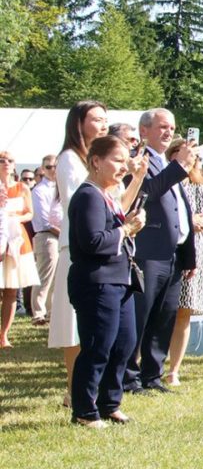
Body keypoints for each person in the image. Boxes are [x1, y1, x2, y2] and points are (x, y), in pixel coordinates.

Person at [66, 135, 147, 427]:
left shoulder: (106, 194)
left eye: (125, 160)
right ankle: (84, 410)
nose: (122, 166)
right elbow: (92, 242)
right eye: (117, 159)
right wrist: (126, 229)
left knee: (124, 343)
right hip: (96, 282)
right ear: (96, 161)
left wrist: (130, 227)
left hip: (119, 279)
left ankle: (109, 403)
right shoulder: (88, 195)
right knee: (98, 346)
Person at [51, 101, 122, 406]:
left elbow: (117, 206)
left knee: (96, 330)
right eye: (96, 119)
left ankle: (85, 390)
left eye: (105, 120)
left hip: (104, 246)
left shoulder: (105, 164)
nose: (103, 125)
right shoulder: (69, 158)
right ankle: (73, 390)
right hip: (78, 246)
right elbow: (77, 203)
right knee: (75, 326)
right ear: (78, 124)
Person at [124, 108, 198, 394]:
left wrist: (188, 254)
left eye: (172, 127)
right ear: (144, 130)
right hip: (148, 250)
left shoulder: (166, 163)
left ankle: (152, 376)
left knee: (164, 317)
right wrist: (178, 168)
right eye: (162, 127)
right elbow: (145, 194)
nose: (169, 132)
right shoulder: (138, 160)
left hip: (172, 253)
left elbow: (182, 211)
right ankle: (129, 377)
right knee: (141, 318)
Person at [163, 156, 203, 388]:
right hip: (166, 248)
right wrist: (183, 220)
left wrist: (186, 221)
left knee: (184, 311)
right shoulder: (165, 182)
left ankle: (174, 369)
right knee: (159, 311)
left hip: (195, 250)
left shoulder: (201, 187)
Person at [0, 150, 39, 348]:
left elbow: (30, 213)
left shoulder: (22, 187)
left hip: (17, 240)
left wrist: (14, 218)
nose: (6, 163)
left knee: (11, 289)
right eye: (2, 160)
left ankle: (3, 335)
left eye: (10, 160)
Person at [29, 153, 61, 327]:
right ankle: (38, 313)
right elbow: (44, 221)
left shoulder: (60, 187)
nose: (53, 170)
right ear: (43, 169)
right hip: (47, 235)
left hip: (60, 234)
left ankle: (50, 312)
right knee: (45, 276)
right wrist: (63, 233)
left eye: (55, 166)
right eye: (48, 167)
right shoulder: (40, 190)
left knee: (57, 277)